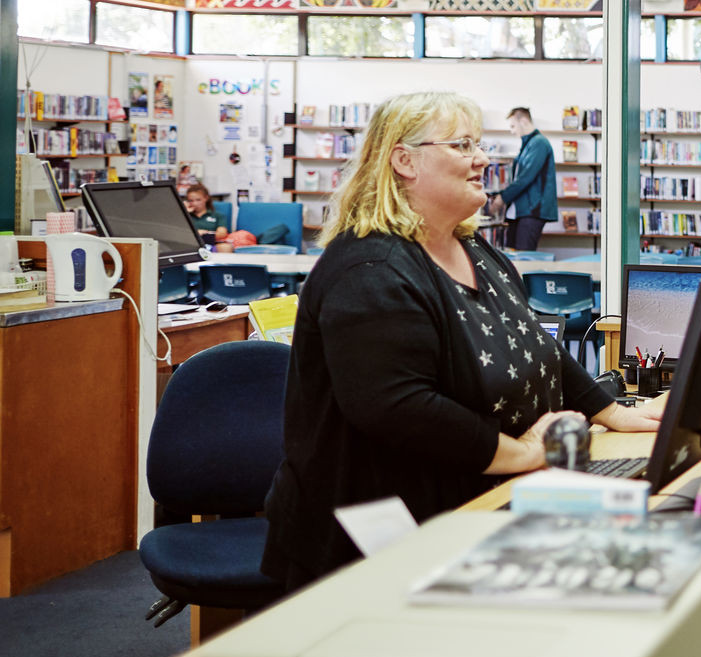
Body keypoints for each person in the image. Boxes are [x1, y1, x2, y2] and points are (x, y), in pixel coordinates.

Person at [262, 91, 656, 591]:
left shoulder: (475, 249)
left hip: (480, 509)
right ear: (404, 161)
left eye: (479, 143)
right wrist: (524, 453)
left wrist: (612, 412)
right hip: (376, 548)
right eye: (462, 144)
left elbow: (536, 343)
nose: (482, 158)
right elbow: (400, 408)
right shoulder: (370, 270)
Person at [491, 106, 557, 251]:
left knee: (524, 255)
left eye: (513, 126)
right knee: (512, 252)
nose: (512, 131)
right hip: (522, 211)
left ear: (524, 121)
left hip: (532, 210)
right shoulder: (528, 145)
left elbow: (526, 177)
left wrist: (503, 197)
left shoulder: (539, 143)